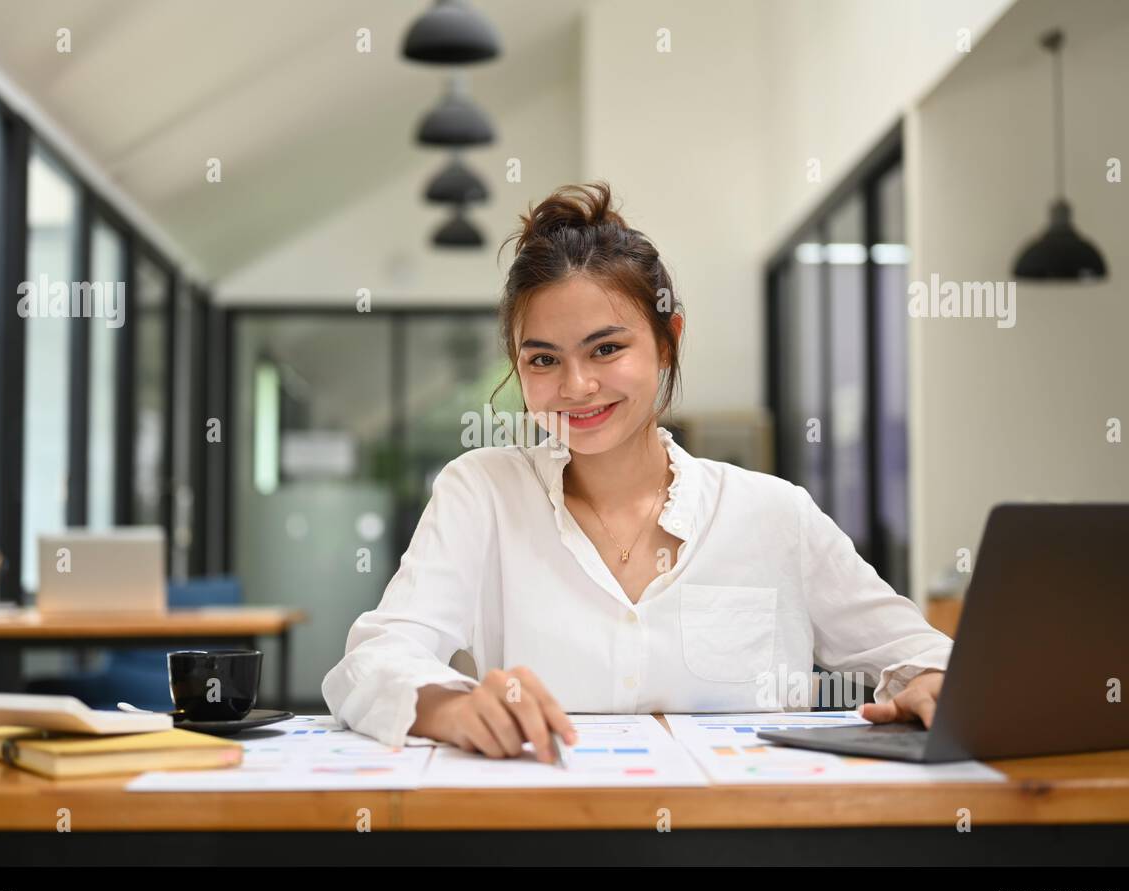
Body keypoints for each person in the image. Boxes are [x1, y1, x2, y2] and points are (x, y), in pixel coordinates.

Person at [322, 181, 951, 762]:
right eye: (543, 359)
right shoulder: (482, 492)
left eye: (606, 348)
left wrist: (930, 684)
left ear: (668, 340)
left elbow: (928, 660)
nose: (577, 386)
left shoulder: (772, 513)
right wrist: (453, 705)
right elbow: (374, 661)